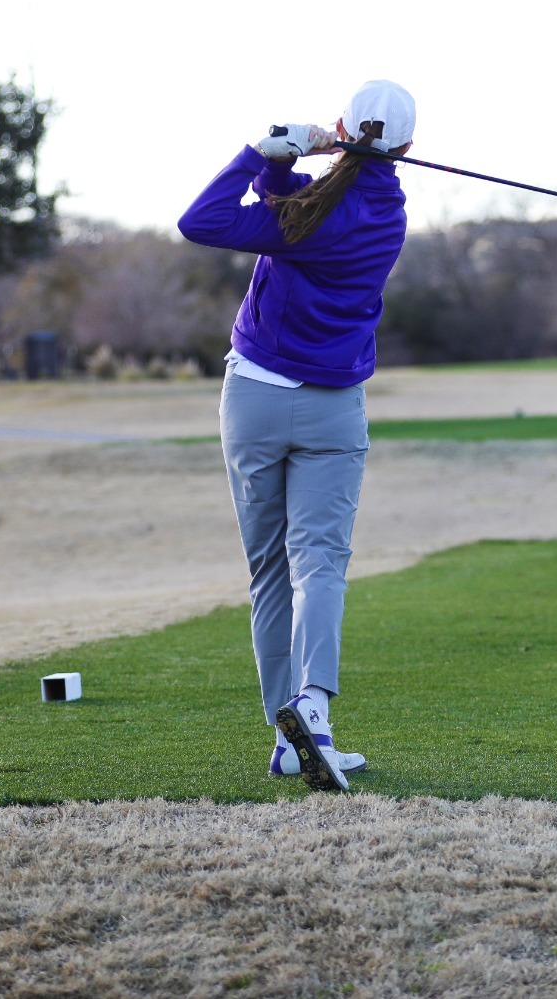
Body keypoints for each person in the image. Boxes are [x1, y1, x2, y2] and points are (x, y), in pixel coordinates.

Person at [175, 80, 415, 792]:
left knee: (270, 573)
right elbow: (304, 208)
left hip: (253, 400)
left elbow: (201, 220)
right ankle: (313, 709)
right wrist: (282, 171)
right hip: (332, 409)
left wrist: (263, 154)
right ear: (407, 148)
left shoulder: (304, 215)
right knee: (320, 564)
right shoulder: (389, 216)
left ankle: (287, 740)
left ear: (341, 126)